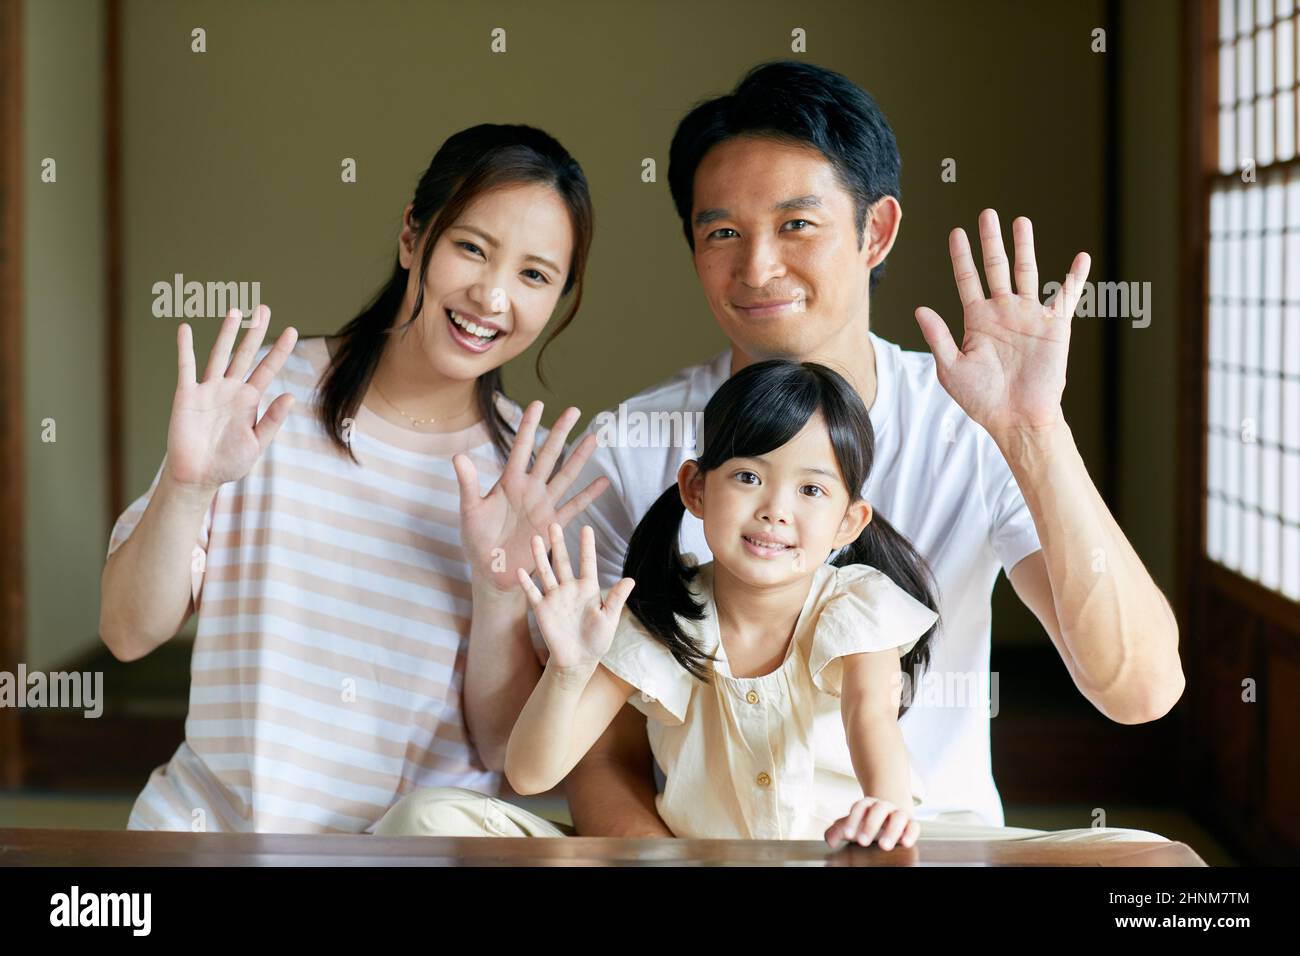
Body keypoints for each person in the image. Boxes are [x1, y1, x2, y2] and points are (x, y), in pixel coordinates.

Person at [429, 60, 1182, 844]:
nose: (757, 268)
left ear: (875, 231)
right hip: (698, 848)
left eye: (797, 224)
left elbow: (1141, 691)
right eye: (722, 231)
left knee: (1146, 868)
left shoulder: (973, 421)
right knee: (432, 826)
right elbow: (597, 760)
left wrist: (1033, 433)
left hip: (929, 844)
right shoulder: (630, 448)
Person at [98, 124, 607, 832]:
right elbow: (126, 633)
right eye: (471, 248)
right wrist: (188, 488)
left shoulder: (521, 483)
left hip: (403, 854)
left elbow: (501, 748)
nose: (493, 297)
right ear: (411, 238)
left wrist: (497, 591)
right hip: (208, 837)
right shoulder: (262, 405)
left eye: (534, 275)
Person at [507, 360, 943, 849]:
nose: (775, 509)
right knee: (433, 815)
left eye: (811, 489)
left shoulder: (858, 604)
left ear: (848, 521)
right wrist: (565, 673)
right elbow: (529, 776)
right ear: (697, 488)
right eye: (748, 477)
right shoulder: (659, 617)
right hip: (705, 862)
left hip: (847, 856)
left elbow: (869, 713)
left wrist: (886, 806)